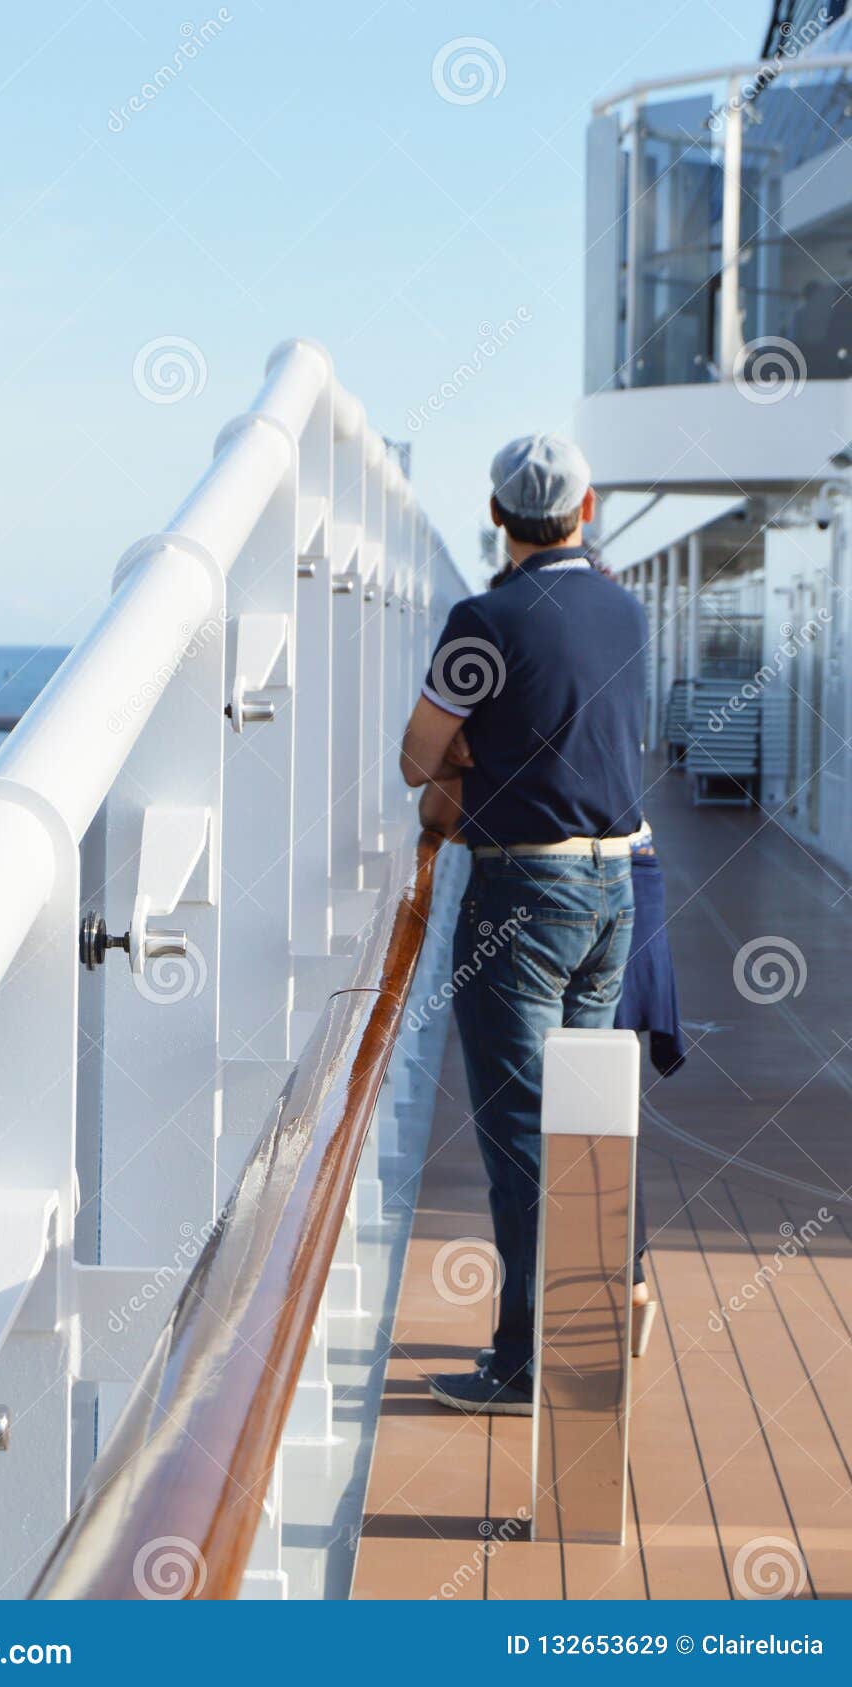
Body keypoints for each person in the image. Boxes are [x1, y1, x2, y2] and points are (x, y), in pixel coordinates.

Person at [400, 434, 649, 1413]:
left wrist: (473, 764)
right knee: (582, 1127)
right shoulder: (626, 607)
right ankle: (591, 1324)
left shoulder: (482, 619)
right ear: (583, 509)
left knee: (518, 1134)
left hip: (522, 899)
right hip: (612, 894)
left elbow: (419, 756)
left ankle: (520, 1364)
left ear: (497, 518)